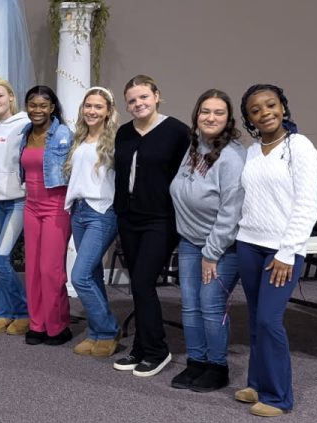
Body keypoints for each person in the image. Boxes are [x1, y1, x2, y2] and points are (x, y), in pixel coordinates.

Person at [234, 84, 317, 416]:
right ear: (249, 119)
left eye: (270, 105)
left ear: (283, 108)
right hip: (249, 244)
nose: (264, 112)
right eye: (255, 110)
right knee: (256, 319)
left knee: (270, 321)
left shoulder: (299, 147)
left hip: (280, 251)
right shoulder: (254, 151)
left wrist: (287, 252)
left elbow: (307, 205)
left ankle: (278, 396)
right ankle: (257, 383)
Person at [111, 75, 191, 377]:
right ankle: (142, 347)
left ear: (157, 96)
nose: (138, 104)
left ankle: (158, 351)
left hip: (161, 219)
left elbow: (186, 175)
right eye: (132, 100)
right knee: (137, 285)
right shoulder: (123, 133)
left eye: (144, 97)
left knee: (144, 282)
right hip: (128, 217)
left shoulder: (176, 131)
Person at [168, 89, 247, 392]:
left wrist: (212, 253)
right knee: (189, 305)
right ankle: (196, 362)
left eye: (218, 112)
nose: (210, 117)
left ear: (228, 119)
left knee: (210, 305)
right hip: (190, 240)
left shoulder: (232, 158)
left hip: (222, 247)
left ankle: (217, 366)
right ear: (196, 115)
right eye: (205, 111)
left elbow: (232, 212)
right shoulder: (194, 148)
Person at [63, 86, 120, 358]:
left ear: (108, 111)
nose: (92, 111)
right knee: (93, 274)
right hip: (79, 210)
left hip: (102, 211)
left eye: (98, 106)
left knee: (80, 276)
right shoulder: (79, 139)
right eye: (88, 106)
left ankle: (108, 330)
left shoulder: (115, 141)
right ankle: (97, 333)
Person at [17, 85, 74, 346]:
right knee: (33, 270)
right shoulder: (25, 134)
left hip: (55, 208)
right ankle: (37, 324)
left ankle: (58, 325)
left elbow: (74, 170)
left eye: (42, 105)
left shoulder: (64, 134)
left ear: (52, 108)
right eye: (32, 105)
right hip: (31, 207)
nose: (36, 110)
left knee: (50, 270)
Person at [0, 78, 31, 335]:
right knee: (2, 262)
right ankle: (4, 311)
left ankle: (23, 311)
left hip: (17, 201)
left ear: (11, 97)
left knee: (1, 261)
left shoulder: (24, 124)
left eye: (0, 96)